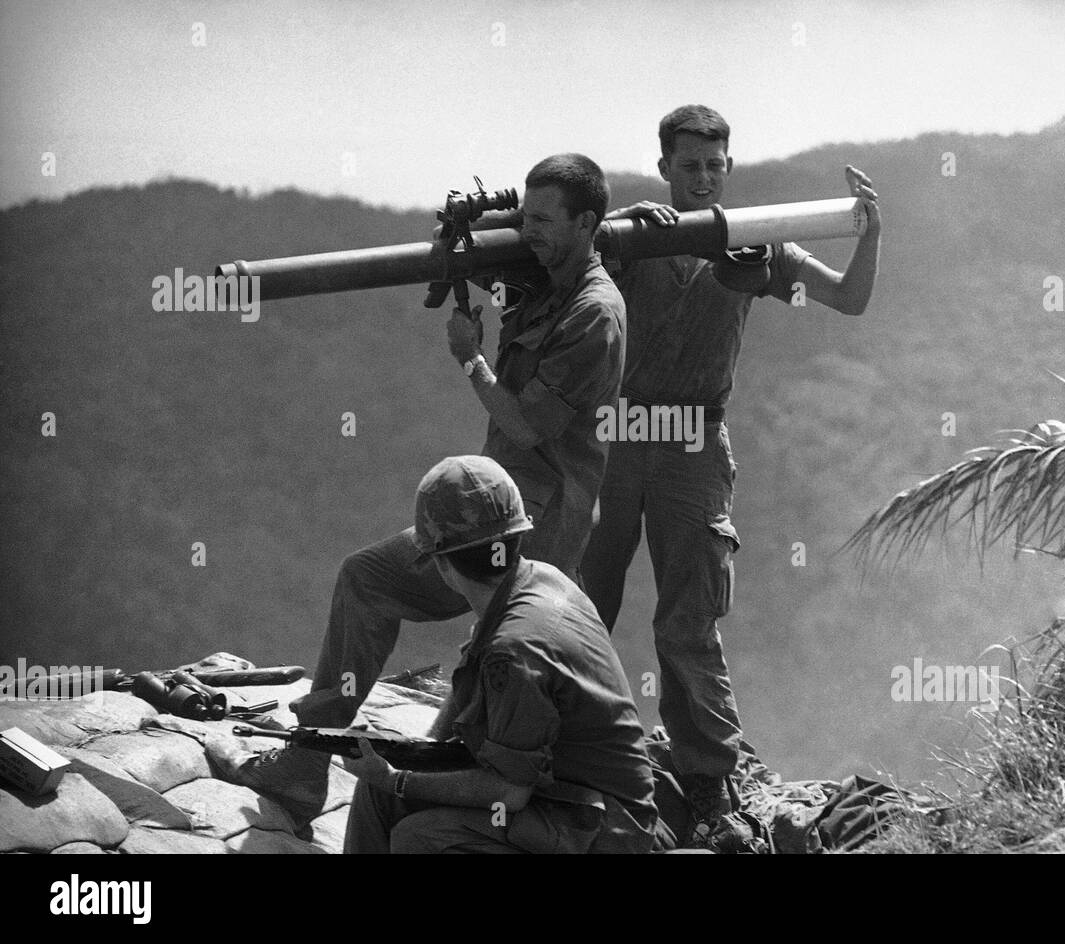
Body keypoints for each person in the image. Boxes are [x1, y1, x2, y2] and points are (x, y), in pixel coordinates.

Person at [235, 154, 627, 821]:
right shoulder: (549, 277)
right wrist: (475, 220)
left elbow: (528, 426)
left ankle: (348, 780)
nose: (528, 230)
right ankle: (330, 767)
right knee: (413, 605)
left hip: (533, 525)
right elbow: (487, 245)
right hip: (509, 510)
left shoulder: (595, 314)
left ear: (587, 224)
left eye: (542, 220)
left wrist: (470, 359)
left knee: (414, 635)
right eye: (524, 216)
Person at [579, 105, 882, 842]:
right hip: (619, 433)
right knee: (583, 602)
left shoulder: (757, 248)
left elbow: (848, 297)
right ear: (665, 169)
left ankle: (708, 781)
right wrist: (613, 228)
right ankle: (558, 739)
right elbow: (562, 266)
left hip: (694, 445)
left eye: (716, 165)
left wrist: (870, 234)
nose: (705, 176)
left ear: (729, 167)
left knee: (688, 620)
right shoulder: (631, 236)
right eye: (690, 166)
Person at [340, 455, 656, 854]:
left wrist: (397, 778)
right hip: (567, 798)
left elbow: (508, 794)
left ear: (441, 565)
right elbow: (475, 662)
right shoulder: (540, 579)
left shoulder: (514, 650)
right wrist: (410, 757)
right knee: (380, 792)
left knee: (420, 839)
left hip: (599, 828)